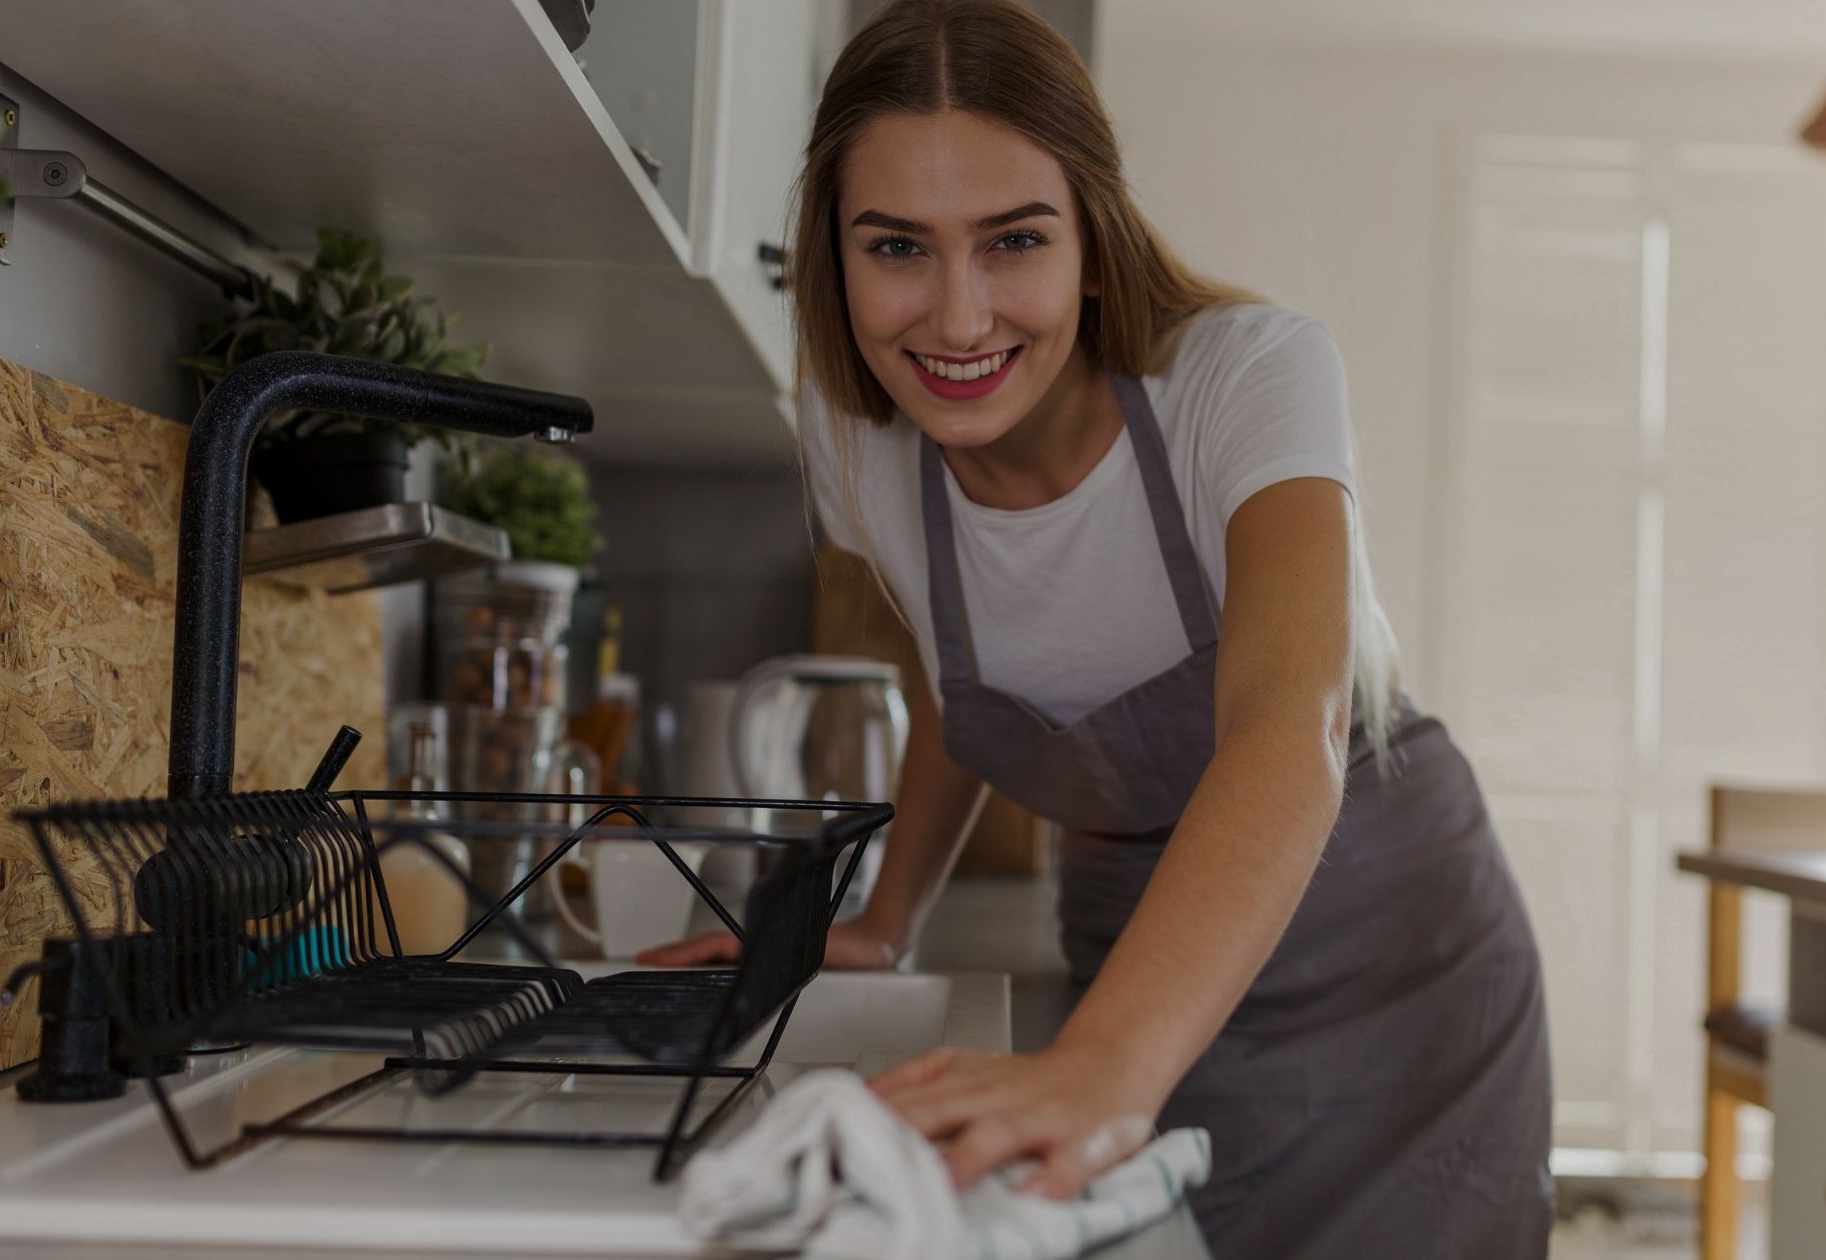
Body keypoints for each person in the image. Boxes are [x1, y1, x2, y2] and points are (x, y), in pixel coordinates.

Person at [639, 2, 1554, 1254]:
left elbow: (1292, 724)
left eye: (1012, 240)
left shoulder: (1245, 377)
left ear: (1092, 232)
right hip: (1133, 942)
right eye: (896, 247)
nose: (956, 321)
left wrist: (1107, 1065)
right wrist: (885, 915)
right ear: (833, 253)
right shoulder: (854, 446)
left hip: (1384, 947)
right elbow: (964, 683)